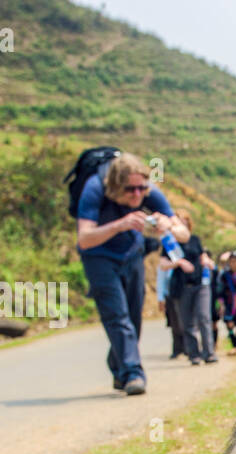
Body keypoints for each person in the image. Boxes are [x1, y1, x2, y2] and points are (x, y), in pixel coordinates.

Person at [76, 152, 189, 395]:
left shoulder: (149, 191)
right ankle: (133, 373)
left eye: (141, 188)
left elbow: (184, 235)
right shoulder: (94, 189)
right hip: (99, 258)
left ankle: (119, 367)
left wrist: (169, 225)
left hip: (132, 256)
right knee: (117, 316)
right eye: (130, 190)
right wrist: (121, 224)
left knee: (134, 320)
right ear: (115, 186)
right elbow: (84, 239)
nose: (137, 194)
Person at [166, 211, 218, 365]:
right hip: (182, 287)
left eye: (184, 222)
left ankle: (209, 353)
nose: (182, 225)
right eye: (178, 222)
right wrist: (179, 263)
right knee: (187, 322)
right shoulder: (170, 243)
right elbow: (163, 264)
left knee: (204, 317)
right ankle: (193, 354)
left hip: (200, 284)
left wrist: (208, 262)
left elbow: (202, 256)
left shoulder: (195, 240)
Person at [157, 257, 185, 359]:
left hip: (184, 294)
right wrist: (160, 298)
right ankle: (177, 349)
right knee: (174, 323)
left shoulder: (185, 258)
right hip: (170, 295)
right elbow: (161, 280)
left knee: (185, 322)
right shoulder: (165, 260)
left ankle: (187, 348)